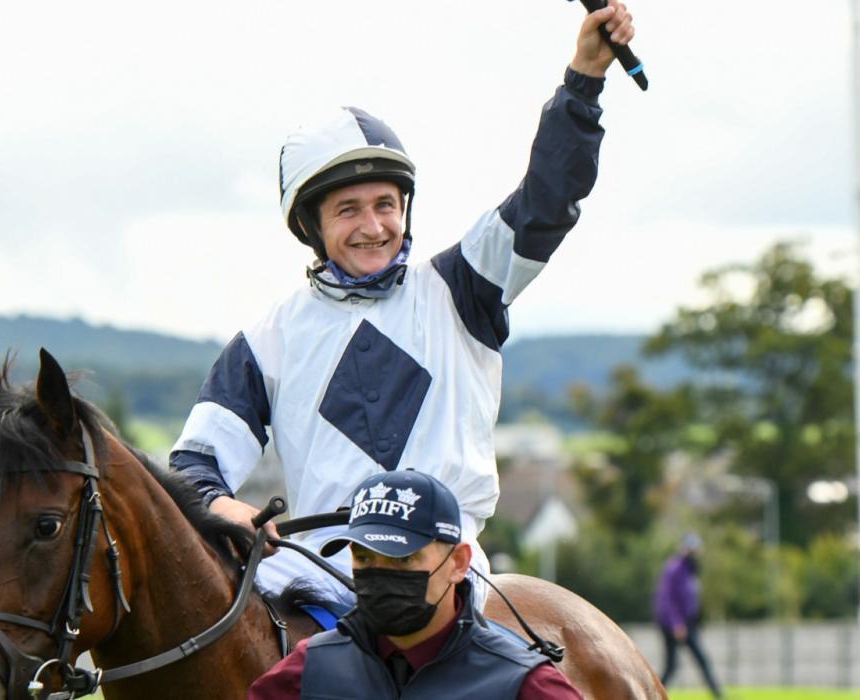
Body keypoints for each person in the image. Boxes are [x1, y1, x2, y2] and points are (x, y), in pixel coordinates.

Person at [170, 3, 636, 610]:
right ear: (311, 225)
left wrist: (583, 81)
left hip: (451, 584)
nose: (374, 226)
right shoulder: (266, 341)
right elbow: (194, 464)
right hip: (319, 590)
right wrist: (225, 504)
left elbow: (547, 198)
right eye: (349, 210)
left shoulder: (464, 286)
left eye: (386, 204)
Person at [247, 470, 582, 699]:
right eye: (364, 558)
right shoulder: (306, 673)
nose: (379, 573)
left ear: (458, 563)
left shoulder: (522, 685)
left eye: (402, 559)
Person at [653, 533, 724, 698]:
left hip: (688, 623)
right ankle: (654, 694)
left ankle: (718, 695)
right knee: (673, 666)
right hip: (674, 625)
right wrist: (677, 624)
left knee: (699, 661)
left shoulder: (691, 568)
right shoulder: (674, 568)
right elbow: (667, 599)